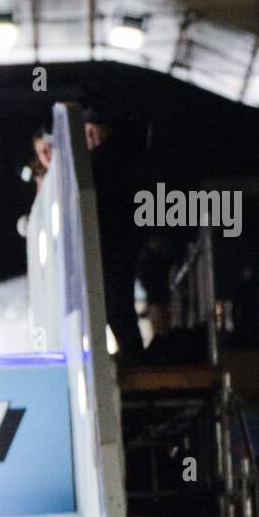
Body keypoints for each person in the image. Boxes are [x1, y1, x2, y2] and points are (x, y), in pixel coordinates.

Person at [84, 107, 145, 363]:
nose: (90, 137)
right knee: (117, 308)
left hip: (112, 248)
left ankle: (134, 360)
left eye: (92, 130)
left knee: (116, 307)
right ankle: (133, 358)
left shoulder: (105, 161)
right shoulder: (118, 157)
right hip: (118, 246)